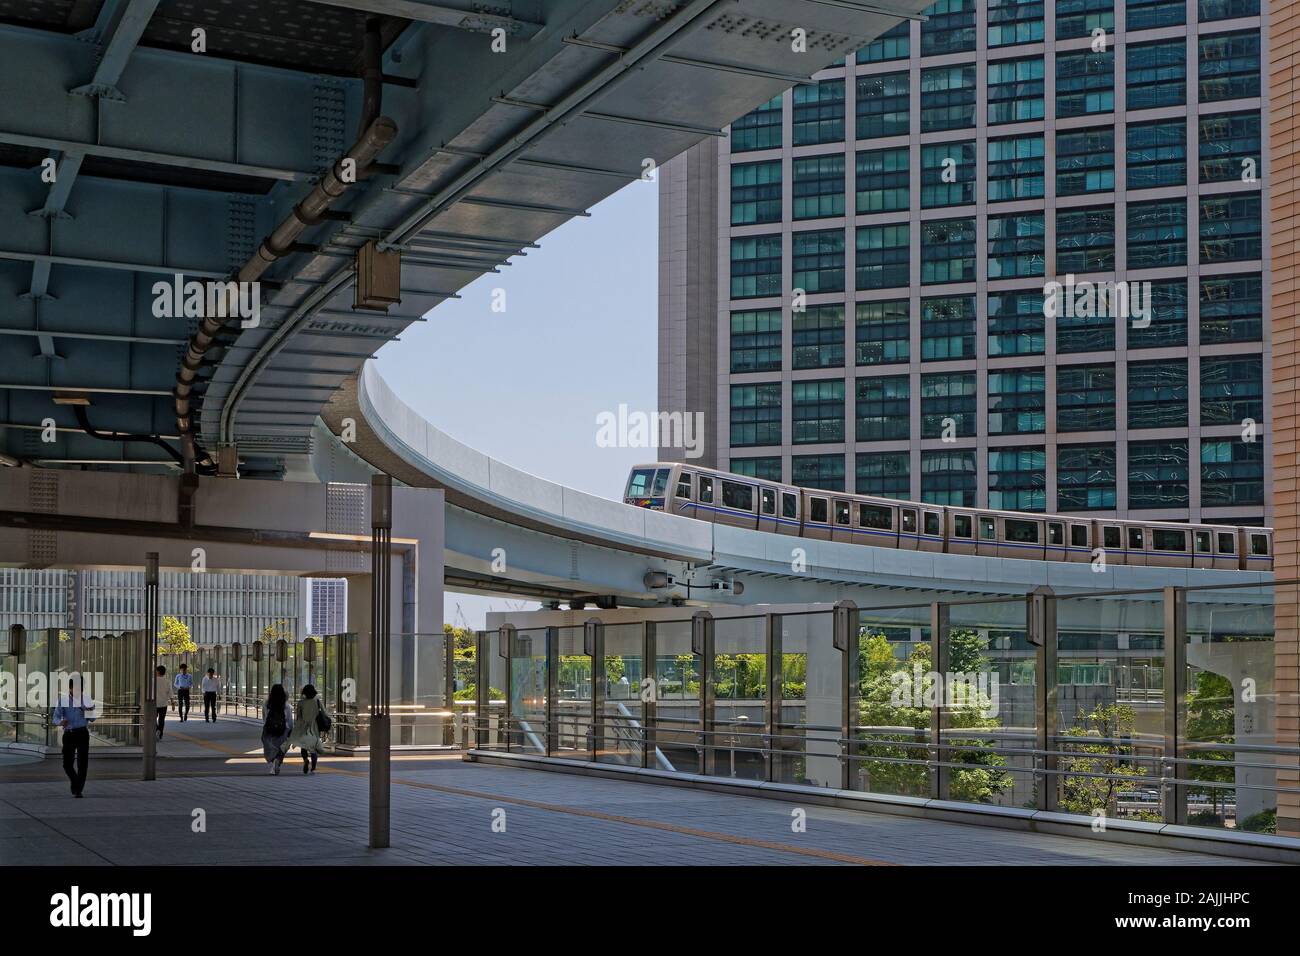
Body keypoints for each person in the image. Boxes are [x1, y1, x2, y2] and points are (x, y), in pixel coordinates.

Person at [52, 675, 97, 797]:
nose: (77, 691)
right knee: (67, 764)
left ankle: (78, 790)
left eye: (80, 688)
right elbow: (55, 717)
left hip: (82, 733)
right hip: (69, 734)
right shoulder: (63, 700)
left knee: (83, 763)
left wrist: (86, 710)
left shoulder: (87, 700)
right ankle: (75, 782)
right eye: (75, 688)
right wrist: (60, 722)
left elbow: (93, 718)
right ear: (70, 688)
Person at [287, 684, 329, 774]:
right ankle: (313, 768)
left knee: (304, 746)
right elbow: (325, 713)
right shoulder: (317, 701)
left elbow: (298, 717)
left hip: (303, 727)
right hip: (315, 727)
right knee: (313, 747)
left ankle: (305, 759)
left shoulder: (301, 703)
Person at [261, 684, 293, 774]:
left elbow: (264, 717)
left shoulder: (267, 704)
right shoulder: (286, 705)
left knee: (271, 748)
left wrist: (266, 726)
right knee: (282, 748)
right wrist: (290, 730)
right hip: (283, 730)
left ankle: (273, 764)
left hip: (269, 730)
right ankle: (278, 761)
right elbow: (290, 720)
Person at [154, 665, 171, 739]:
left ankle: (157, 729)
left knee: (153, 719)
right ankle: (160, 734)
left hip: (154, 703)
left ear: (158, 671)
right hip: (164, 703)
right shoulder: (167, 681)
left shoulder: (152, 680)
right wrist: (173, 702)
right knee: (162, 719)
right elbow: (170, 692)